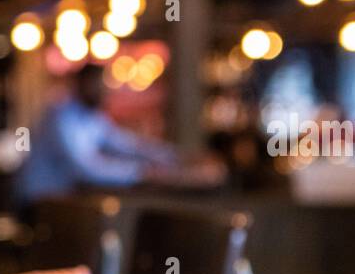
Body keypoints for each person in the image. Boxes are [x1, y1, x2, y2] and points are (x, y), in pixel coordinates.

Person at [16, 64, 217, 205]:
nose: (105, 90)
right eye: (99, 85)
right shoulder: (60, 116)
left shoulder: (92, 116)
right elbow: (86, 168)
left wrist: (178, 157)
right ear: (81, 85)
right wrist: (144, 172)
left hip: (63, 199)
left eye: (105, 85)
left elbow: (129, 145)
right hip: (37, 200)